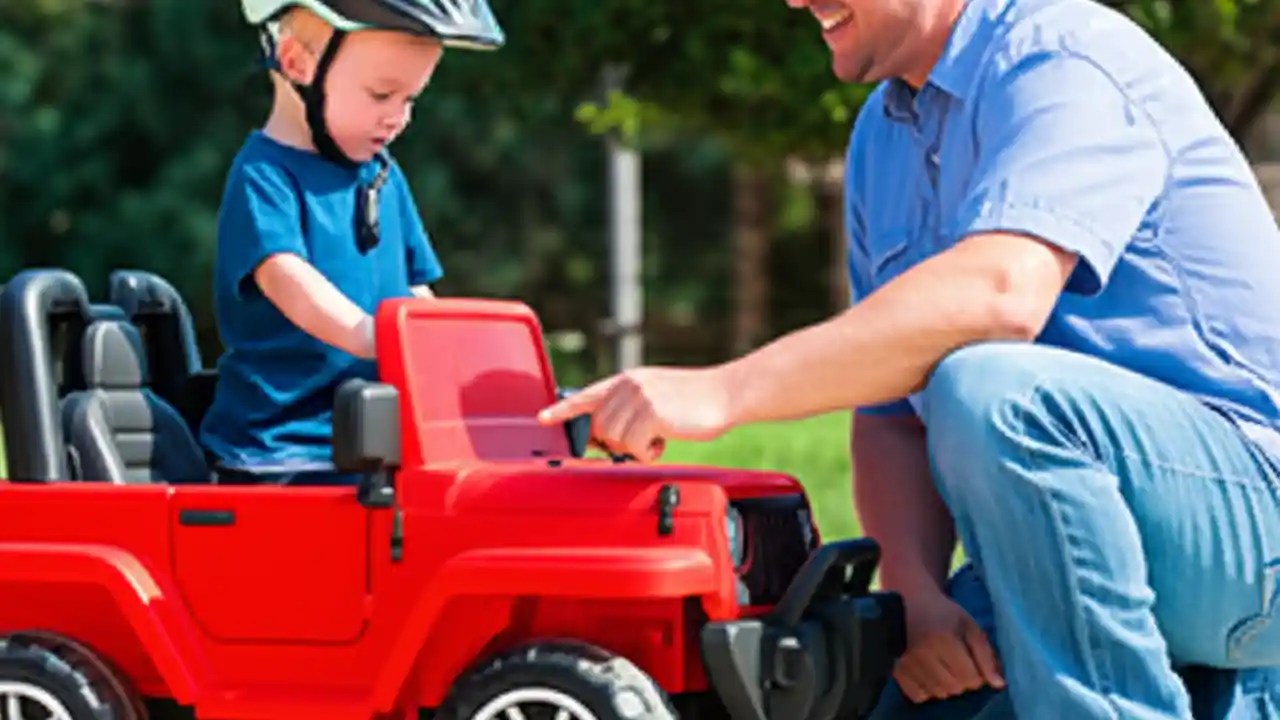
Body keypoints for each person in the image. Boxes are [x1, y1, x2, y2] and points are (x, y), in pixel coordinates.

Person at [537, 0, 1280, 717]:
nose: (797, 0)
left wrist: (722, 393)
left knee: (994, 386)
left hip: (1251, 522)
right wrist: (918, 594)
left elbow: (1001, 294)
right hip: (1063, 553)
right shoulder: (883, 136)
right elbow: (893, 413)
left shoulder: (1061, 56)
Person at [201, 0, 504, 485]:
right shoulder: (264, 176)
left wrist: (453, 361)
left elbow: (414, 292)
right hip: (286, 451)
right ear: (297, 64)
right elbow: (288, 279)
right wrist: (376, 336)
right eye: (382, 94)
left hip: (373, 438)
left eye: (410, 99)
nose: (399, 118)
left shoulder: (382, 175)